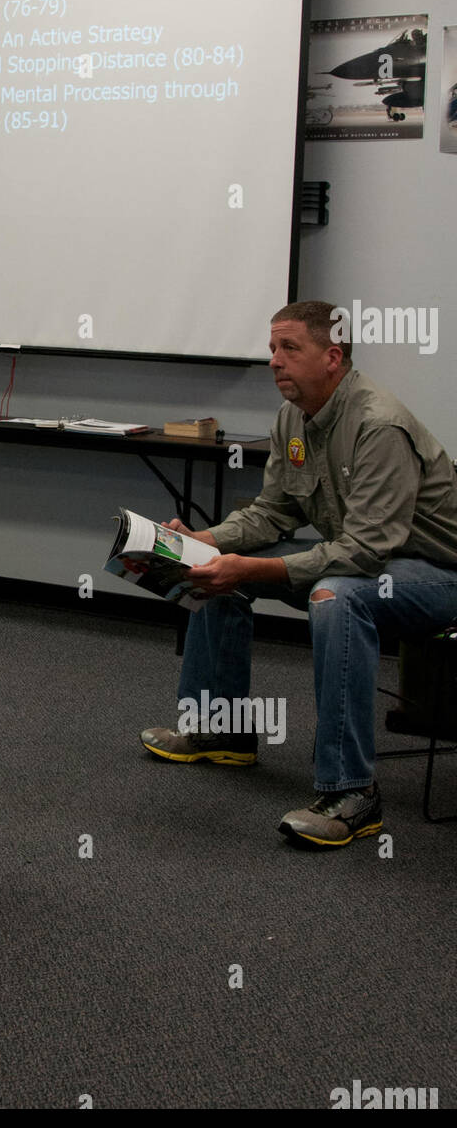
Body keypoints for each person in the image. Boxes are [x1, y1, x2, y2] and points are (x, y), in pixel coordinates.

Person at [140, 300, 457, 846]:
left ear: (333, 357)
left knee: (337, 596)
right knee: (215, 571)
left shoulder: (378, 425)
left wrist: (257, 568)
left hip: (437, 576)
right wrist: (204, 542)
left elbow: (362, 552)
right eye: (272, 349)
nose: (274, 361)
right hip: (364, 558)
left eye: (290, 349)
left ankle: (351, 793)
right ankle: (223, 729)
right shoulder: (294, 418)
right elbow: (273, 513)